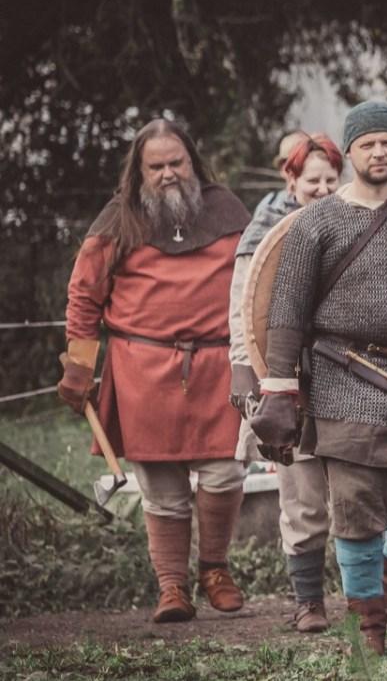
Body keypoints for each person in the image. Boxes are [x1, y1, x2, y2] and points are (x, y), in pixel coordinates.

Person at [250, 101, 387, 654]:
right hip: (340, 377)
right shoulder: (316, 223)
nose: (378, 152)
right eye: (367, 144)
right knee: (356, 504)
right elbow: (288, 310)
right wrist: (277, 388)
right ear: (349, 153)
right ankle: (366, 618)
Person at [58, 118, 251, 623]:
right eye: (156, 166)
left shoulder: (228, 211)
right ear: (138, 171)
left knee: (226, 470)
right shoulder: (117, 222)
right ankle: (172, 588)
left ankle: (214, 570)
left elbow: (258, 280)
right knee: (161, 485)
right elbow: (84, 297)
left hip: (217, 367)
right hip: (142, 372)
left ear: (193, 161)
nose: (168, 174)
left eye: (176, 163)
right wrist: (79, 369)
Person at [228, 133, 342, 632]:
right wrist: (244, 368)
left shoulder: (352, 221)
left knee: (355, 491)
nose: (321, 189)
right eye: (311, 180)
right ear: (290, 179)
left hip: (342, 373)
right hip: (281, 374)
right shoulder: (263, 233)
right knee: (301, 494)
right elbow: (244, 307)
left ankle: (370, 592)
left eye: (331, 180)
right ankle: (308, 601)